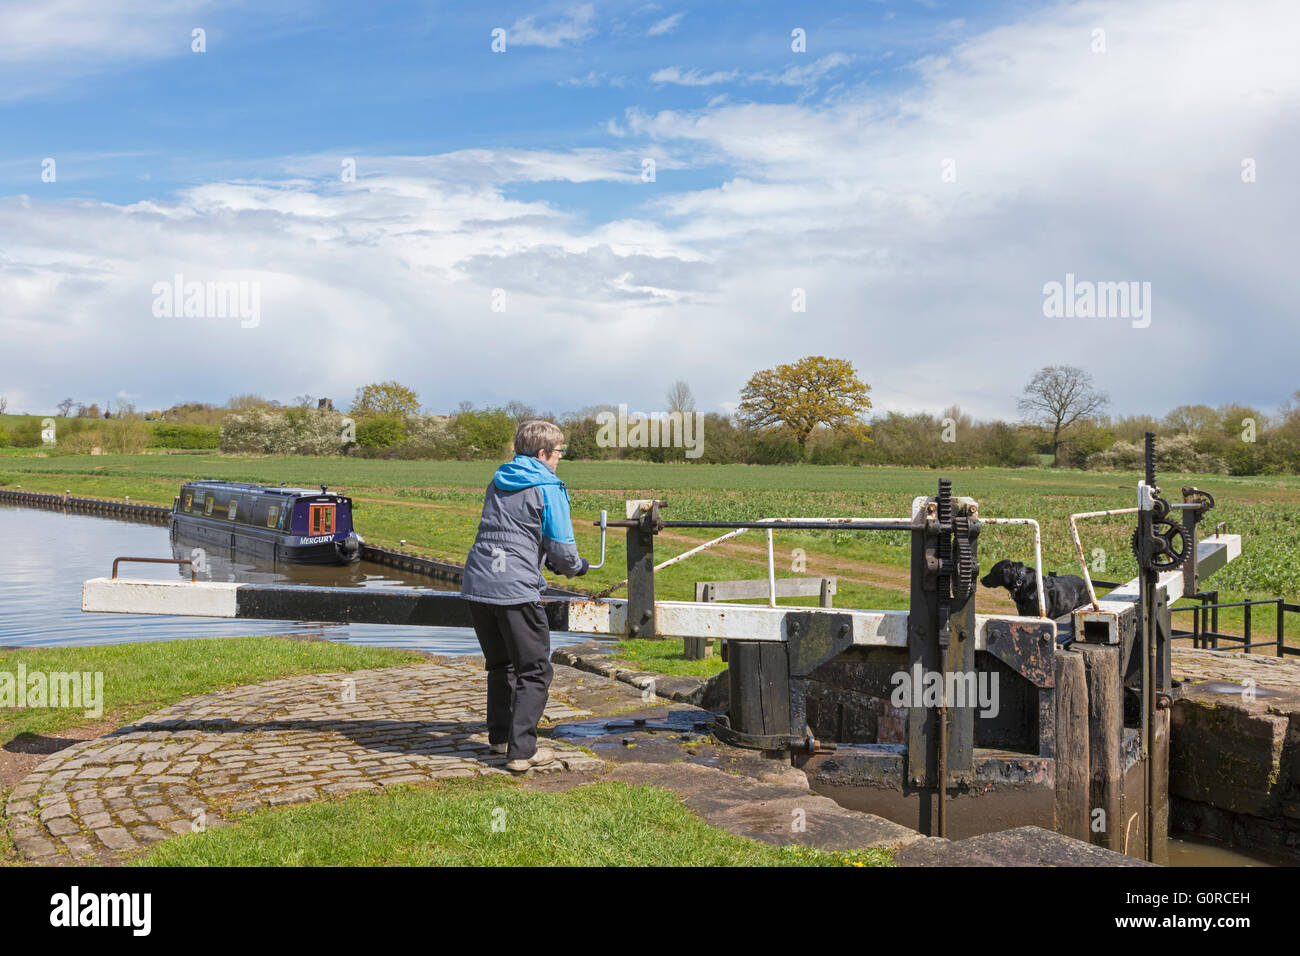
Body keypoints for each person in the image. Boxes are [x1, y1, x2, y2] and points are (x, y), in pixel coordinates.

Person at [460, 420, 589, 772]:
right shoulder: (549, 486)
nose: (561, 458)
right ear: (543, 453)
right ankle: (522, 753)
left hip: (478, 583)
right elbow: (562, 551)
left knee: (500, 665)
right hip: (515, 589)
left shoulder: (499, 479)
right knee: (534, 669)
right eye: (559, 451)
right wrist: (578, 568)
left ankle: (501, 737)